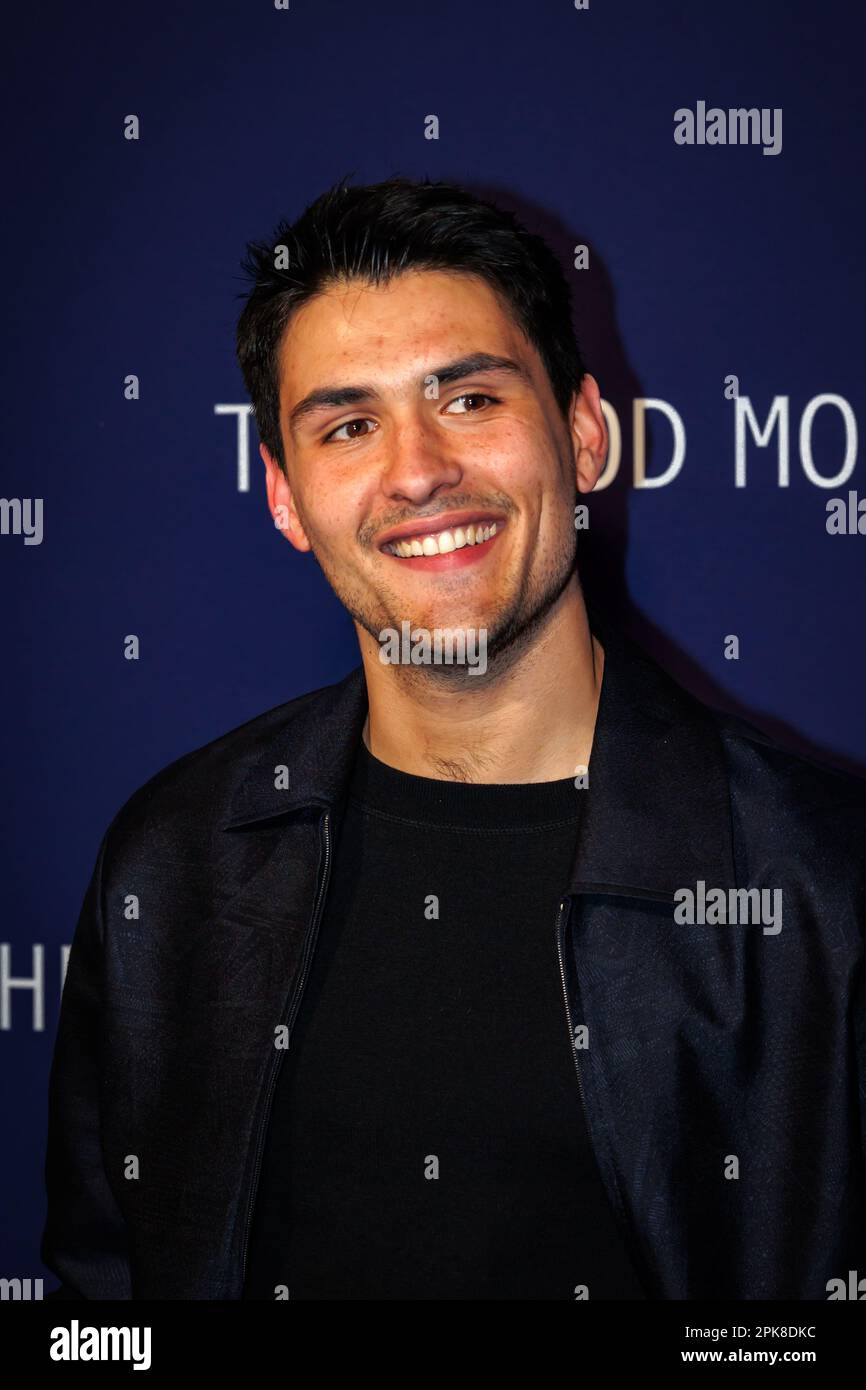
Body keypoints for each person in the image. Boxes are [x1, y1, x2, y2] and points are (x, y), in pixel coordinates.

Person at [42, 176, 866, 1300]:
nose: (418, 470)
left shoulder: (822, 886)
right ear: (285, 499)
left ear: (580, 435)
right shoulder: (172, 863)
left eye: (469, 400)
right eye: (348, 425)